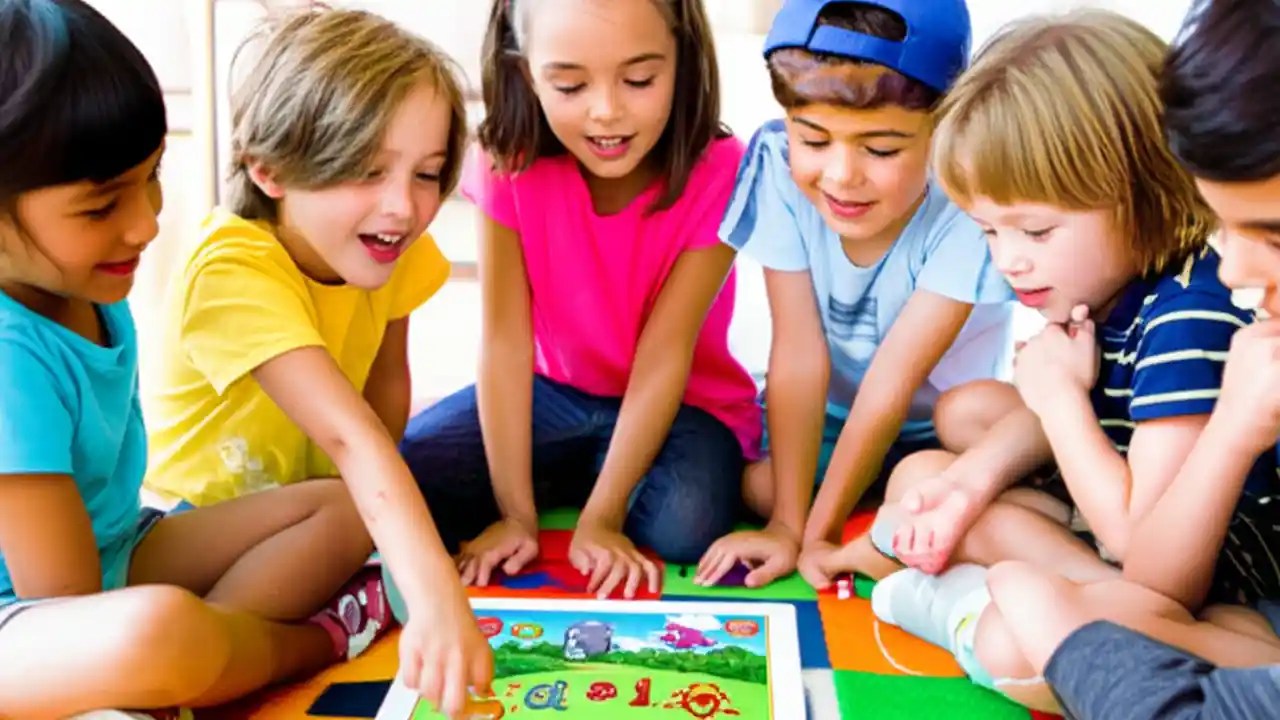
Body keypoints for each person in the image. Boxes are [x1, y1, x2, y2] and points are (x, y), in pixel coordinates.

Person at [0, 2, 402, 717]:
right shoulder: (8, 357)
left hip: (120, 552)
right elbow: (67, 605)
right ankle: (301, 645)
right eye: (100, 208)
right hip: (33, 626)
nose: (147, 222)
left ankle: (204, 666)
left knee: (347, 505)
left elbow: (104, 559)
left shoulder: (83, 280)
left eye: (151, 177)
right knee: (152, 634)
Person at [864, 10, 1273, 712]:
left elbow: (1154, 558)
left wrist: (1057, 400)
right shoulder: (1112, 279)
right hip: (1129, 504)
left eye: (1036, 229)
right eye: (989, 230)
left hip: (1212, 564)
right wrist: (968, 483)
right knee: (937, 459)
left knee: (996, 584)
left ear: (1140, 188)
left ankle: (1098, 610)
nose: (1009, 258)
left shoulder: (1188, 315)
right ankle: (1063, 592)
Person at [140, 7, 492, 716]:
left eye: (427, 173)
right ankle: (198, 675)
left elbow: (385, 391)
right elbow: (348, 435)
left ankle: (303, 618)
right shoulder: (233, 267)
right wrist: (436, 597)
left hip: (309, 516)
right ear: (269, 170)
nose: (403, 207)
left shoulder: (389, 248)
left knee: (379, 500)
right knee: (372, 510)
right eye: (365, 171)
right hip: (185, 525)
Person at [398, 0, 762, 601]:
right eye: (569, 84)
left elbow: (664, 354)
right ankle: (550, 482)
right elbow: (505, 340)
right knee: (414, 467)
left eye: (640, 80)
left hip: (683, 405)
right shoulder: (504, 163)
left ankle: (586, 483)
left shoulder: (723, 171)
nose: (607, 111)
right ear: (525, 75)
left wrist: (603, 518)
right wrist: (516, 514)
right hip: (555, 395)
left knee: (690, 521)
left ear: (683, 60)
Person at [985, 1, 1280, 717]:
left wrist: (1237, 424)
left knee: (1012, 631)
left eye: (1272, 238)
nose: (1235, 269)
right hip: (1183, 567)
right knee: (962, 456)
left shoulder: (1192, 309)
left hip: (1231, 586)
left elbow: (1155, 567)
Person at [693, 0, 1014, 590]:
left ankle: (881, 502)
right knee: (758, 491)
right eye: (814, 139)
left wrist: (820, 534)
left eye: (882, 149)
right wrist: (789, 526)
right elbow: (796, 352)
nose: (841, 175)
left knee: (924, 479)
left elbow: (892, 379)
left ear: (947, 127)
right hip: (831, 421)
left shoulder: (969, 197)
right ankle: (848, 502)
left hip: (934, 430)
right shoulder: (775, 163)